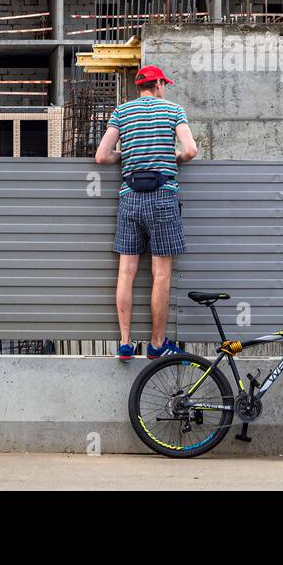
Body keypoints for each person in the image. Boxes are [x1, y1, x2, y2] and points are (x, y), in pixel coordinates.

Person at [94, 64, 198, 361]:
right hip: (163, 198)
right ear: (160, 85)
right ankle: (156, 344)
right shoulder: (173, 110)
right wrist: (174, 156)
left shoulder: (122, 112)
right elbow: (190, 150)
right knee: (160, 275)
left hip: (129, 198)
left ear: (139, 87)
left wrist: (124, 154)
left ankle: (126, 343)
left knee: (126, 273)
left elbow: (102, 156)